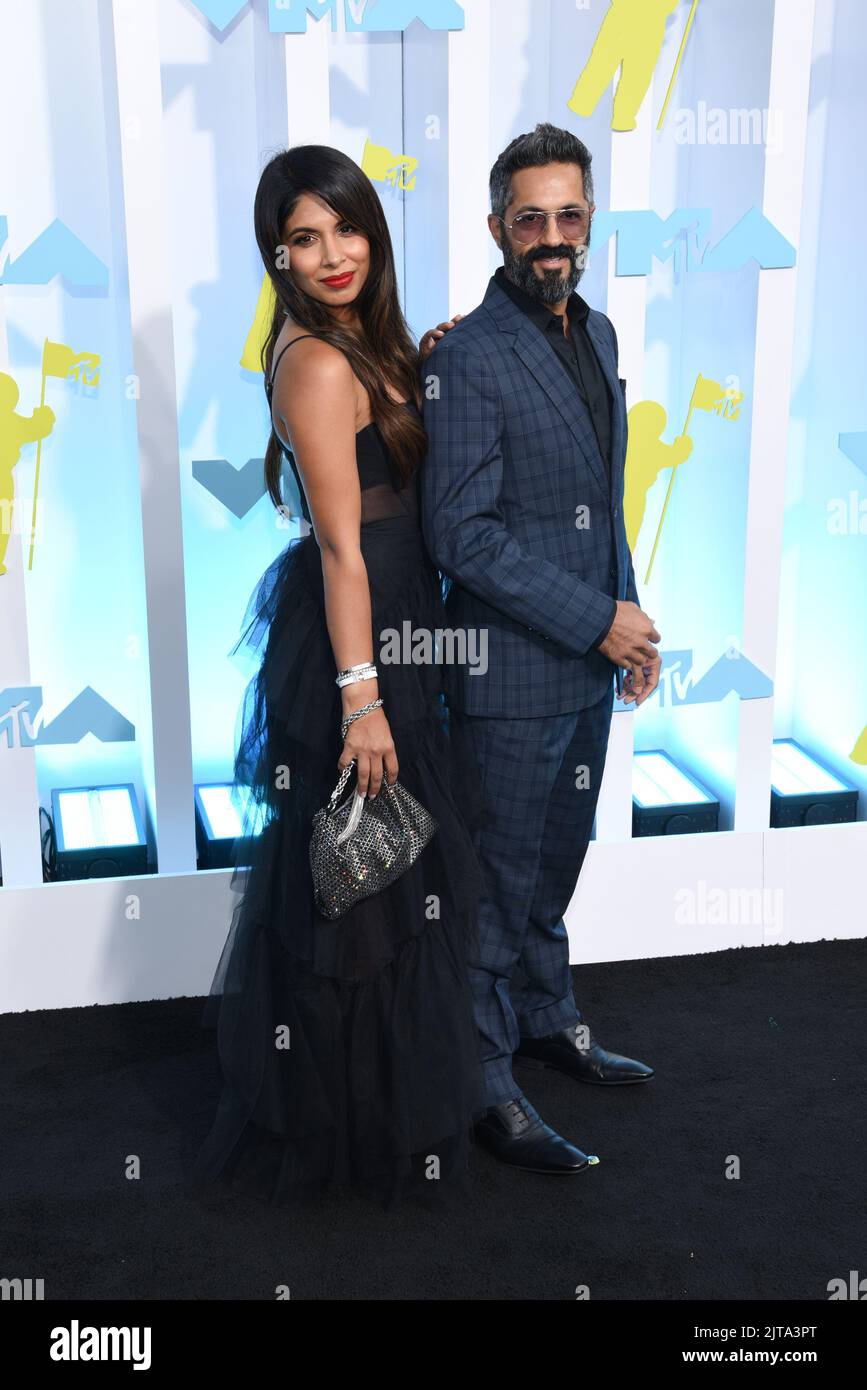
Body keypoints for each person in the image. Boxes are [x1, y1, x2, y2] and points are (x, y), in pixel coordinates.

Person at [190, 145, 486, 1209]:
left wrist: (432, 357)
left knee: (391, 874)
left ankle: (383, 1104)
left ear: (373, 231)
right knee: (360, 880)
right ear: (278, 257)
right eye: (303, 239)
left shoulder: (366, 344)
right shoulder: (315, 362)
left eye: (346, 228)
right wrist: (361, 700)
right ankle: (351, 1125)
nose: (332, 254)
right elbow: (341, 548)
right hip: (360, 628)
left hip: (401, 616)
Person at [421, 123, 659, 1175]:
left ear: (590, 221)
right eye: (530, 218)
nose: (551, 235)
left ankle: (547, 1018)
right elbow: (460, 536)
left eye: (569, 215)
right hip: (510, 677)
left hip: (589, 662)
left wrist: (631, 620)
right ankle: (483, 1082)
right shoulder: (469, 357)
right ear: (496, 228)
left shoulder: (599, 333)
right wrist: (593, 619)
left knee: (557, 865)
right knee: (494, 884)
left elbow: (601, 505)